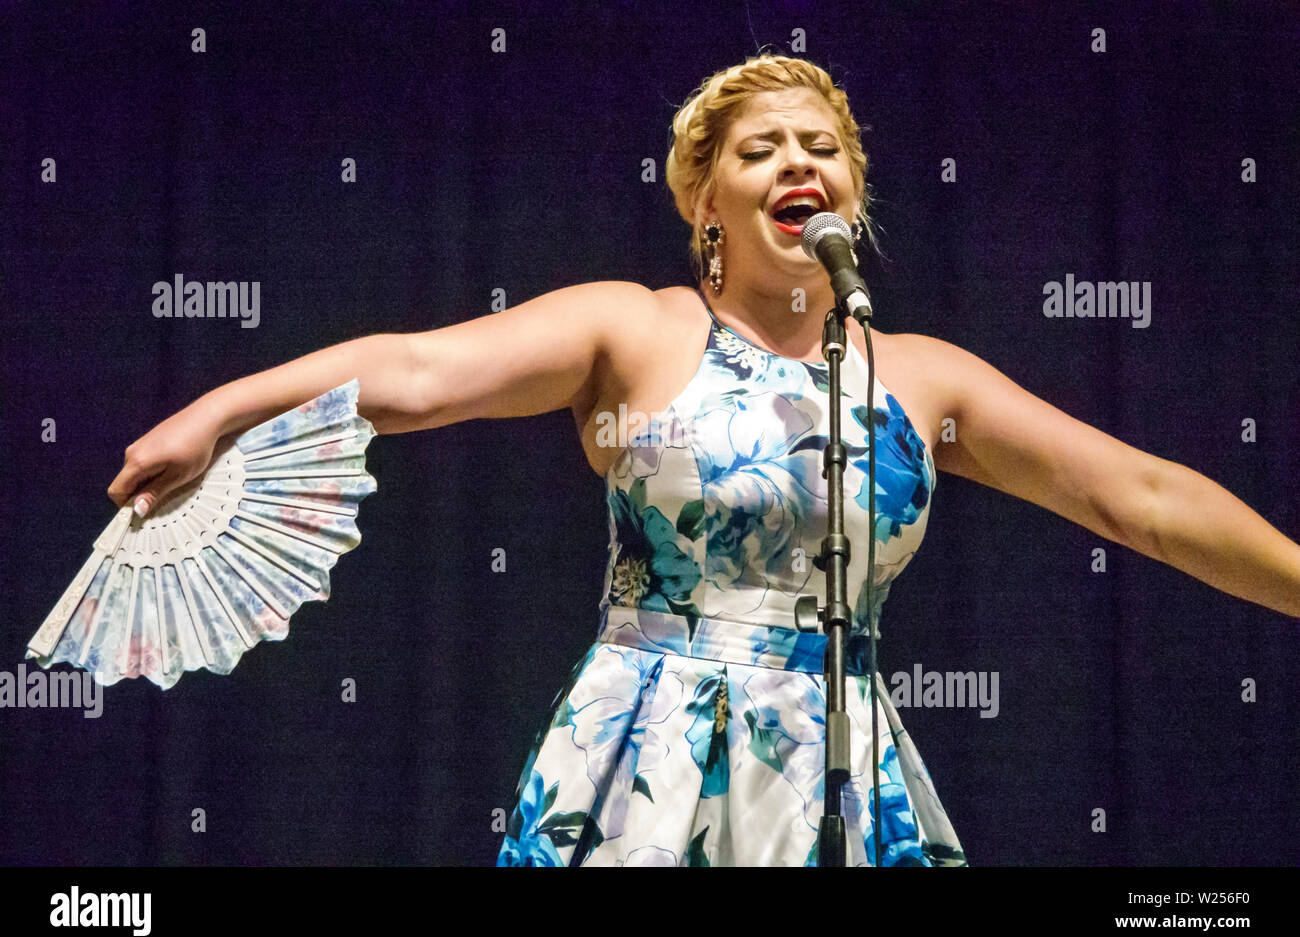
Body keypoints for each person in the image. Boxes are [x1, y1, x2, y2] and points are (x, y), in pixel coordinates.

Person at [108, 53, 1300, 867]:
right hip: (645, 742)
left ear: (853, 194)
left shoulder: (925, 375)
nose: (802, 164)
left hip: (840, 752)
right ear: (705, 201)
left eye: (824, 148)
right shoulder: (638, 327)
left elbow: (1138, 496)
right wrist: (220, 407)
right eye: (764, 148)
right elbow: (418, 371)